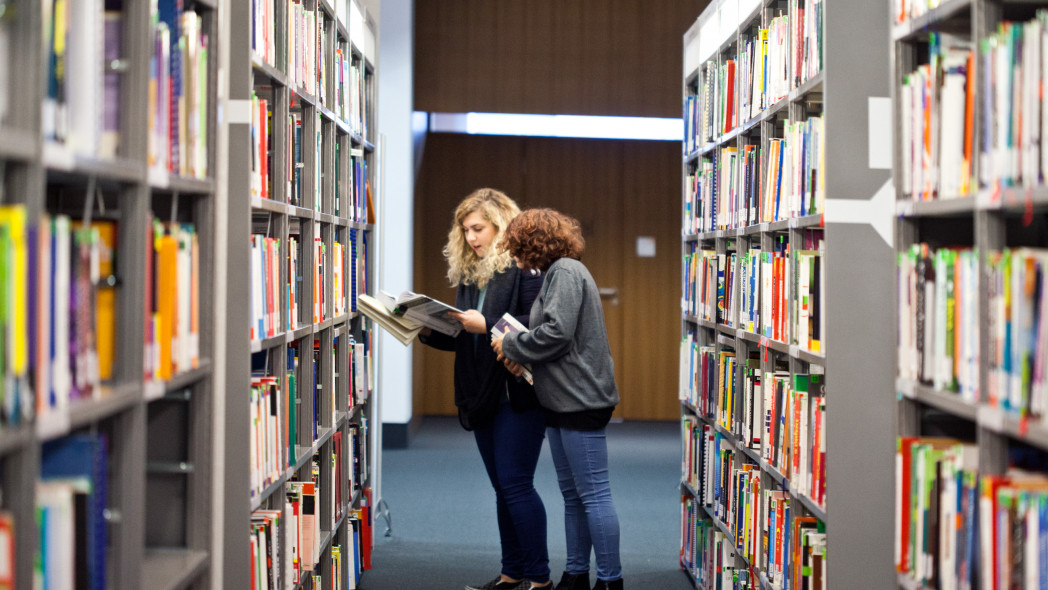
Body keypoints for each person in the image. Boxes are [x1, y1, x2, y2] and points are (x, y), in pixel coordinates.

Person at [417, 188, 551, 590]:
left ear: (500, 224)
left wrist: (485, 323)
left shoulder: (526, 268)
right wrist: (427, 328)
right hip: (481, 393)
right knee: (501, 487)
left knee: (515, 484)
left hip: (516, 392)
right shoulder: (472, 274)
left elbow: (537, 325)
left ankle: (539, 579)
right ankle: (512, 574)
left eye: (479, 228)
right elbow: (467, 336)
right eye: (466, 230)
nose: (472, 237)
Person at [491, 208, 624, 590]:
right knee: (573, 495)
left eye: (516, 248)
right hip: (562, 398)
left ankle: (610, 580)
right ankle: (576, 573)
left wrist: (511, 342)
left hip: (581, 400)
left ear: (533, 244)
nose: (514, 257)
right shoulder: (556, 273)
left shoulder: (565, 271)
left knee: (593, 494)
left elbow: (557, 333)